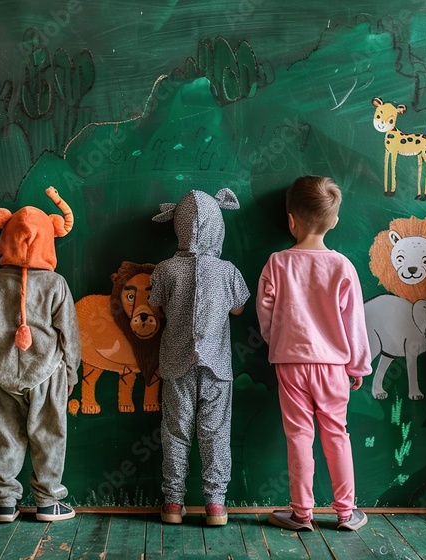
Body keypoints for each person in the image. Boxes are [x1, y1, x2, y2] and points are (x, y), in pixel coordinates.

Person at [257, 176, 372, 532]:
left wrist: (279, 343)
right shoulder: (342, 266)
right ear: (334, 220)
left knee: (299, 436)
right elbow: (355, 321)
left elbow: (266, 314)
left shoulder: (277, 263)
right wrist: (359, 366)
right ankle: (345, 512)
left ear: (291, 220)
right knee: (337, 434)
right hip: (334, 365)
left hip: (290, 363)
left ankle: (302, 513)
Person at [0, 186, 81, 523]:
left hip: (2, 374)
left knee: (4, 435)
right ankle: (47, 502)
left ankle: (5, 502)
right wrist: (71, 373)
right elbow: (70, 336)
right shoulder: (55, 283)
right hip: (47, 373)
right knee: (48, 434)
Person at [150, 188, 250, 527]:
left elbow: (159, 307)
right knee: (216, 433)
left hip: (176, 366)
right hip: (217, 368)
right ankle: (216, 505)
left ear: (178, 226)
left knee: (175, 432)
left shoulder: (165, 270)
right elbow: (237, 310)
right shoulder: (228, 271)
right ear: (218, 227)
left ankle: (173, 504)